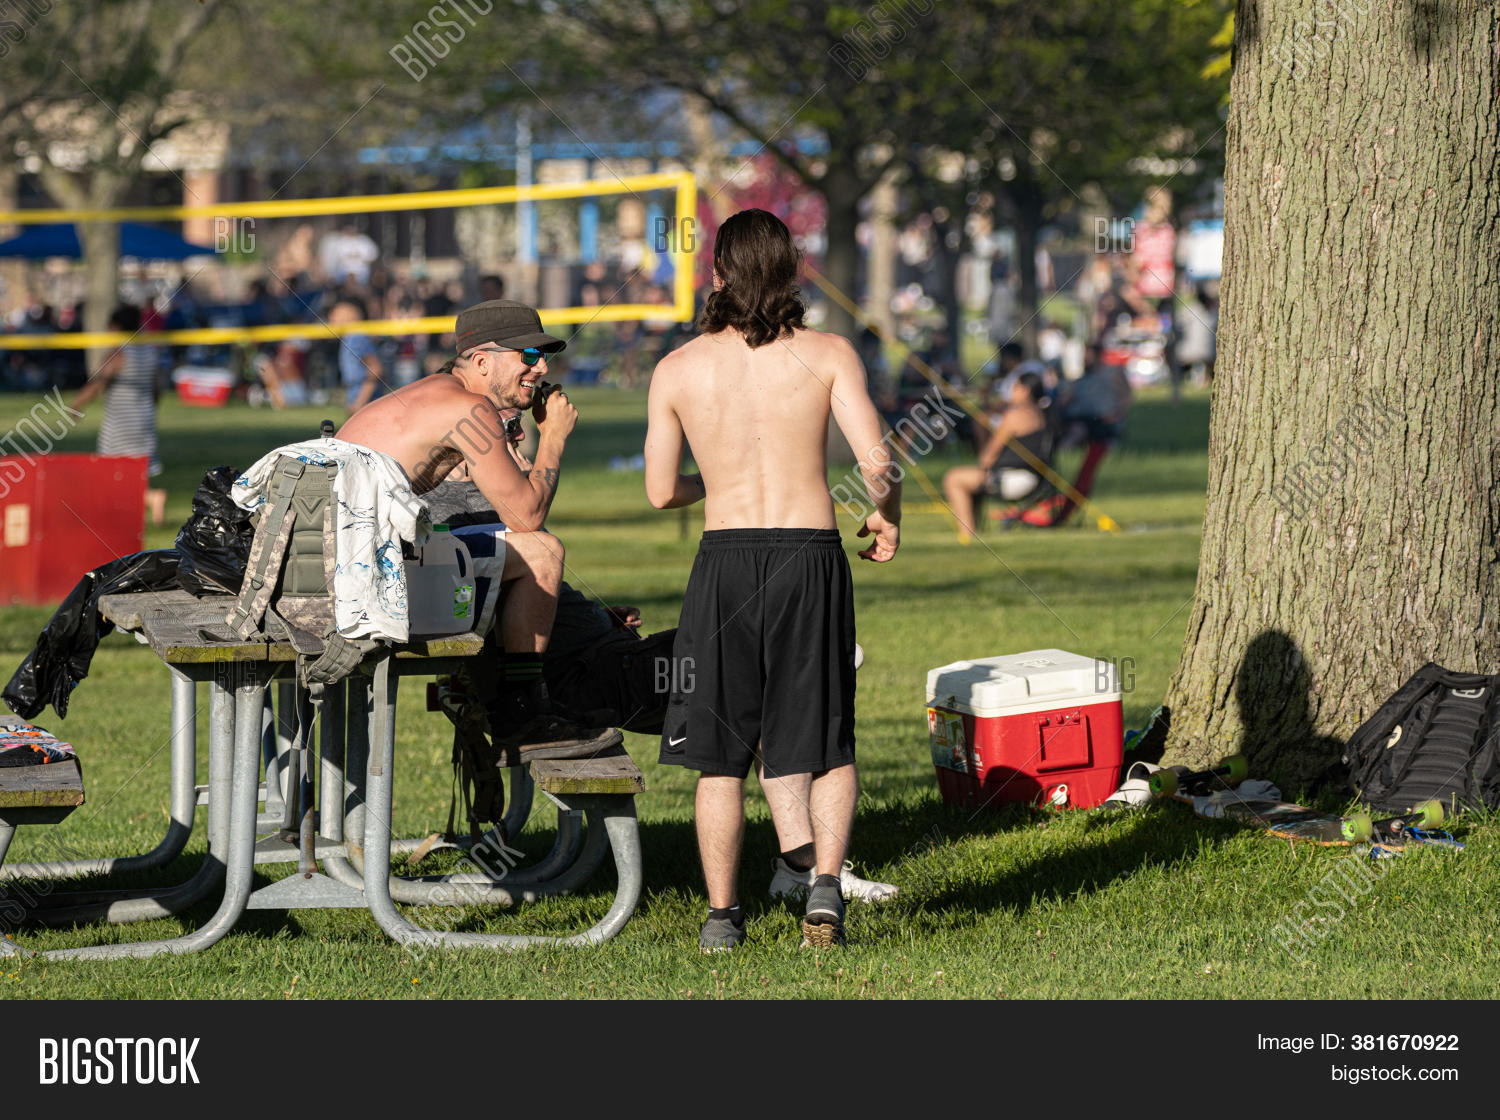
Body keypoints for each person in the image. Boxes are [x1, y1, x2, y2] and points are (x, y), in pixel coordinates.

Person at [643, 209, 901, 951]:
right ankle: (823, 890)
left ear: (717, 273)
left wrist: (715, 481)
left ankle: (722, 917)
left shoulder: (678, 369)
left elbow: (661, 492)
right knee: (823, 740)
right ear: (791, 271)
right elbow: (877, 464)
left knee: (718, 756)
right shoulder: (827, 354)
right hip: (809, 556)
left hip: (723, 560)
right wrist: (886, 516)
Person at [337, 299, 613, 760]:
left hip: (342, 564)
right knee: (541, 553)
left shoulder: (432, 395)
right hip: (360, 581)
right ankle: (520, 717)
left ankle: (482, 695)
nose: (541, 366)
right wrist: (554, 441)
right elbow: (526, 517)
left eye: (543, 356)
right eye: (527, 355)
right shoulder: (469, 410)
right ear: (482, 361)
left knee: (482, 549)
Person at [71, 305, 167, 527]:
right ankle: (144, 503)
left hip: (121, 422)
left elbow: (98, 383)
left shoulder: (118, 353)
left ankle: (150, 499)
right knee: (136, 470)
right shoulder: (149, 350)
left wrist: (75, 406)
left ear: (117, 327)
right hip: (144, 419)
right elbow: (156, 389)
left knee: (111, 468)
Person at [941, 370, 1053, 543]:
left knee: (953, 478)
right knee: (971, 479)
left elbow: (989, 454)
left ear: (1026, 390)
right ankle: (974, 533)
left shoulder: (1015, 415)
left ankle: (966, 536)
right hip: (1034, 480)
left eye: (1015, 387)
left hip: (1011, 479)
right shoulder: (1040, 414)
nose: (1011, 392)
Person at [331, 298, 385, 416]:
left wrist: (359, 403)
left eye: (336, 314)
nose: (332, 318)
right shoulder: (349, 338)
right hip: (360, 402)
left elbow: (375, 369)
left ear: (350, 316)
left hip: (368, 404)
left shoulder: (356, 338)